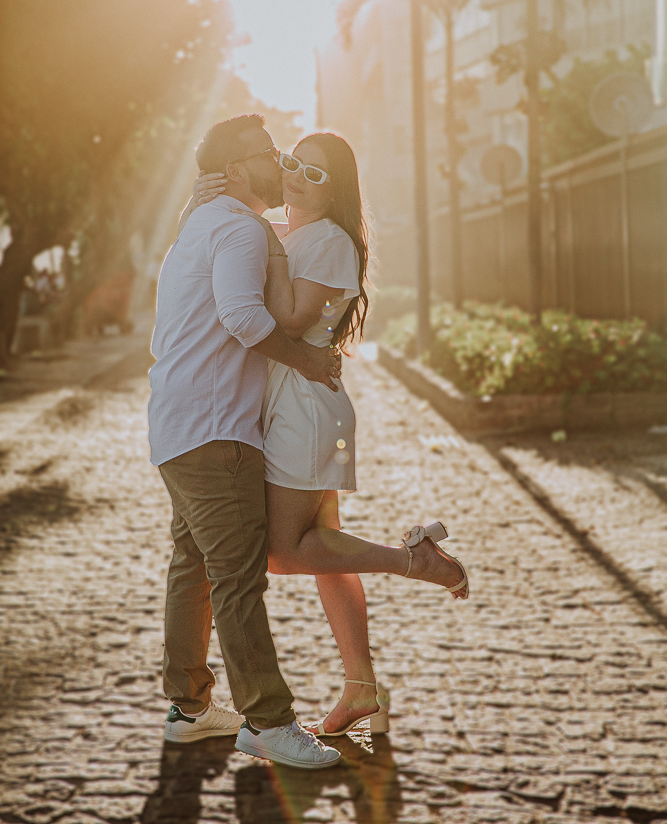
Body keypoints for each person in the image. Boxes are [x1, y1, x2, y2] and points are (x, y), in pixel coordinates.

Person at [190, 128, 469, 739]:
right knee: (325, 550)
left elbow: (289, 318)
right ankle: (361, 686)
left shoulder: (330, 242)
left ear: (336, 189)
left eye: (315, 173)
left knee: (282, 551)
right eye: (291, 162)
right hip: (293, 400)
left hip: (304, 405)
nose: (295, 176)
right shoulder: (288, 234)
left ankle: (413, 560)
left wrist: (261, 232)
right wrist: (206, 205)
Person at [149, 114, 342, 769]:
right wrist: (306, 361)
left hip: (176, 425)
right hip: (215, 429)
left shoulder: (204, 223)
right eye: (266, 154)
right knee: (235, 579)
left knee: (193, 565)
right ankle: (267, 720)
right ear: (234, 171)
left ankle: (190, 708)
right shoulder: (236, 226)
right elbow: (240, 315)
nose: (279, 161)